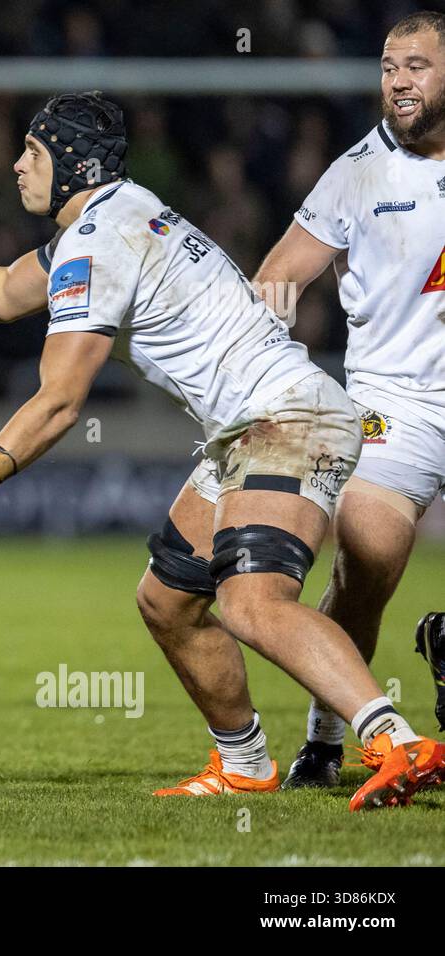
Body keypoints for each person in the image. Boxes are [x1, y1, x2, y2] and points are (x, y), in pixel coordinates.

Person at [0, 91, 445, 811]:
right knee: (168, 602)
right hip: (254, 423)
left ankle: (392, 739)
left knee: (250, 602)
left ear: (73, 164)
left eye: (34, 153)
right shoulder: (117, 212)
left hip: (285, 419)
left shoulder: (99, 241)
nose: (19, 167)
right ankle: (244, 764)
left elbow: (57, 401)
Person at [249, 11, 445, 784]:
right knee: (365, 571)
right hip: (395, 408)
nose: (398, 80)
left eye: (418, 65)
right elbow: (276, 278)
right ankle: (328, 742)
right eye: (390, 65)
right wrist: (271, 361)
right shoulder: (358, 173)